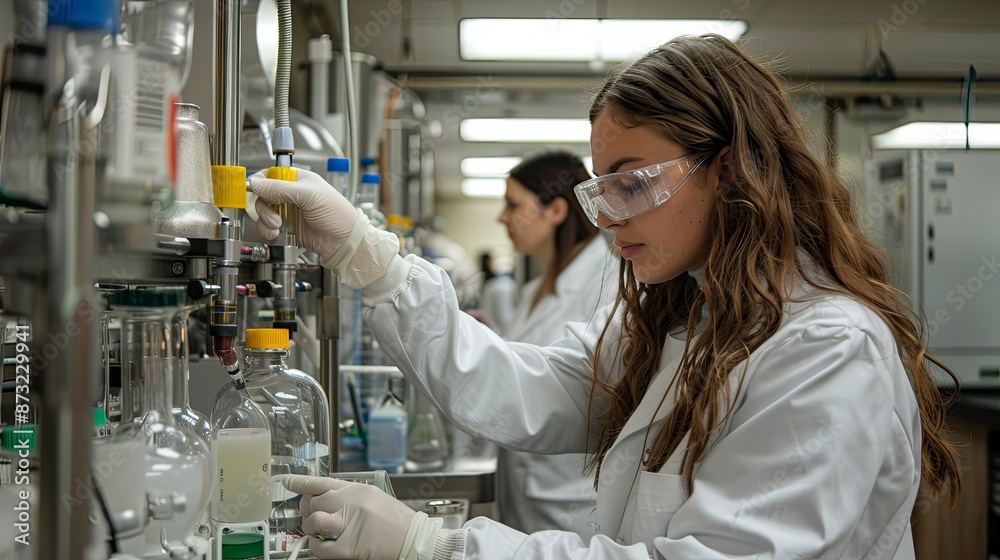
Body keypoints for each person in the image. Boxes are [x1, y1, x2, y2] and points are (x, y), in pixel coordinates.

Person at [249, 34, 960, 560]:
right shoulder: (690, 318)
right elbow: (519, 387)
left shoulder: (826, 349)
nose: (610, 215)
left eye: (632, 181)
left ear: (728, 169)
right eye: (600, 188)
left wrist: (436, 548)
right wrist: (366, 256)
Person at [488, 151, 616, 536]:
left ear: (556, 210)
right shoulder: (530, 294)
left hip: (572, 503)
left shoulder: (609, 282)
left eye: (513, 205)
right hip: (526, 491)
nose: (502, 217)